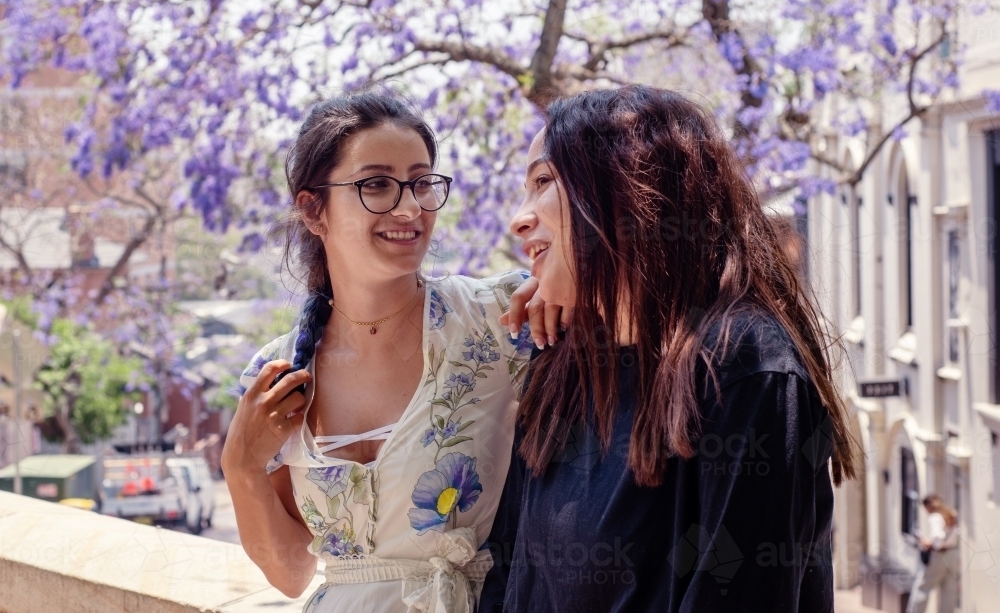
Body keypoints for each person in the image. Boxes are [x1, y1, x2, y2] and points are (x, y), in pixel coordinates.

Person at [480, 85, 859, 612]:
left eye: (543, 181)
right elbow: (508, 577)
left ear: (628, 189)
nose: (519, 218)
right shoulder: (561, 363)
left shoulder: (744, 367)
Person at [221, 90, 551, 613]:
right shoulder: (278, 372)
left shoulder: (498, 317)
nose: (410, 207)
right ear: (313, 210)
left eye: (421, 183)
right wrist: (240, 464)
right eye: (376, 184)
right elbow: (289, 572)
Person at [908, 494, 960, 613]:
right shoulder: (951, 514)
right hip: (952, 554)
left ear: (928, 507)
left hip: (939, 556)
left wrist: (928, 543)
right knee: (948, 591)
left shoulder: (935, 517)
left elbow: (937, 538)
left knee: (922, 588)